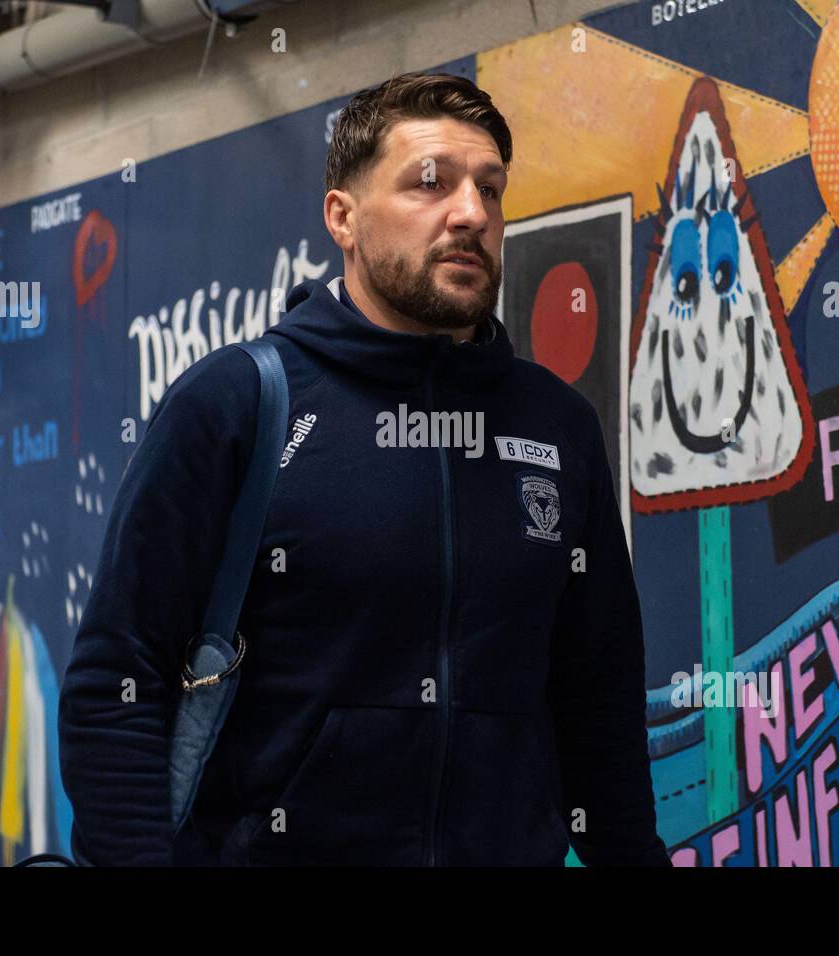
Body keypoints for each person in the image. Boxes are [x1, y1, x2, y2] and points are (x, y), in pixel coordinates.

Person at [59, 70, 672, 867]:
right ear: (342, 218)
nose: (471, 214)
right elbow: (117, 684)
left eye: (490, 189)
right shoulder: (241, 404)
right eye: (431, 184)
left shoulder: (558, 428)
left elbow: (599, 712)